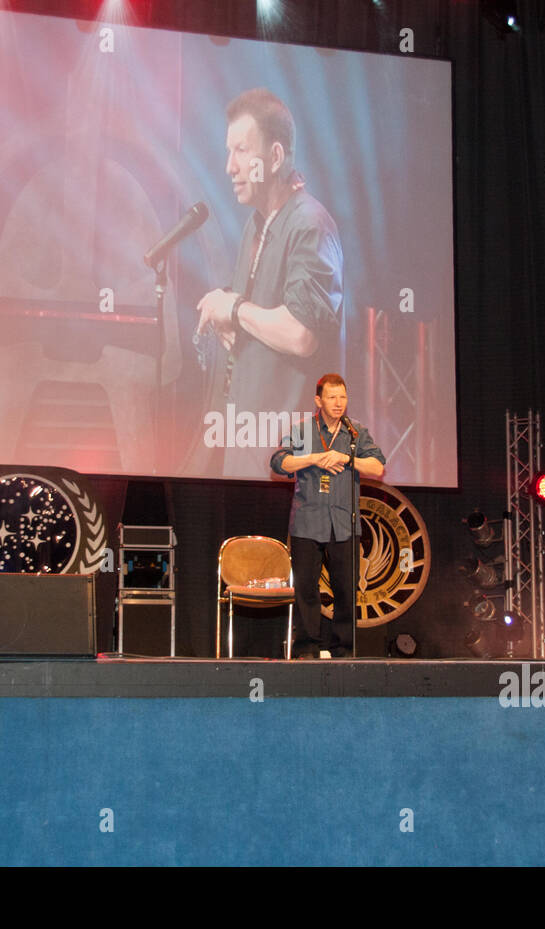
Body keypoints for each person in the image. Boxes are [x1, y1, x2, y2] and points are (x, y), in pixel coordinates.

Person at [195, 88, 344, 477]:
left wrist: (236, 310)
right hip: (248, 449)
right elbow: (253, 314)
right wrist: (228, 316)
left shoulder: (309, 224)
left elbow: (300, 333)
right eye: (229, 151)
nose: (230, 166)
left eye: (242, 151)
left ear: (275, 157)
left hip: (289, 463)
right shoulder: (257, 223)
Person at [270, 374, 386, 658]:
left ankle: (343, 649)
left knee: (346, 590)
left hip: (344, 523)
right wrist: (313, 458)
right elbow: (278, 462)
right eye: (332, 397)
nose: (338, 403)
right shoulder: (303, 430)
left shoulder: (355, 432)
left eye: (343, 397)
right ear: (318, 400)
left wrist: (346, 458)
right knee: (306, 591)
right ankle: (307, 649)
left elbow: (377, 467)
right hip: (307, 522)